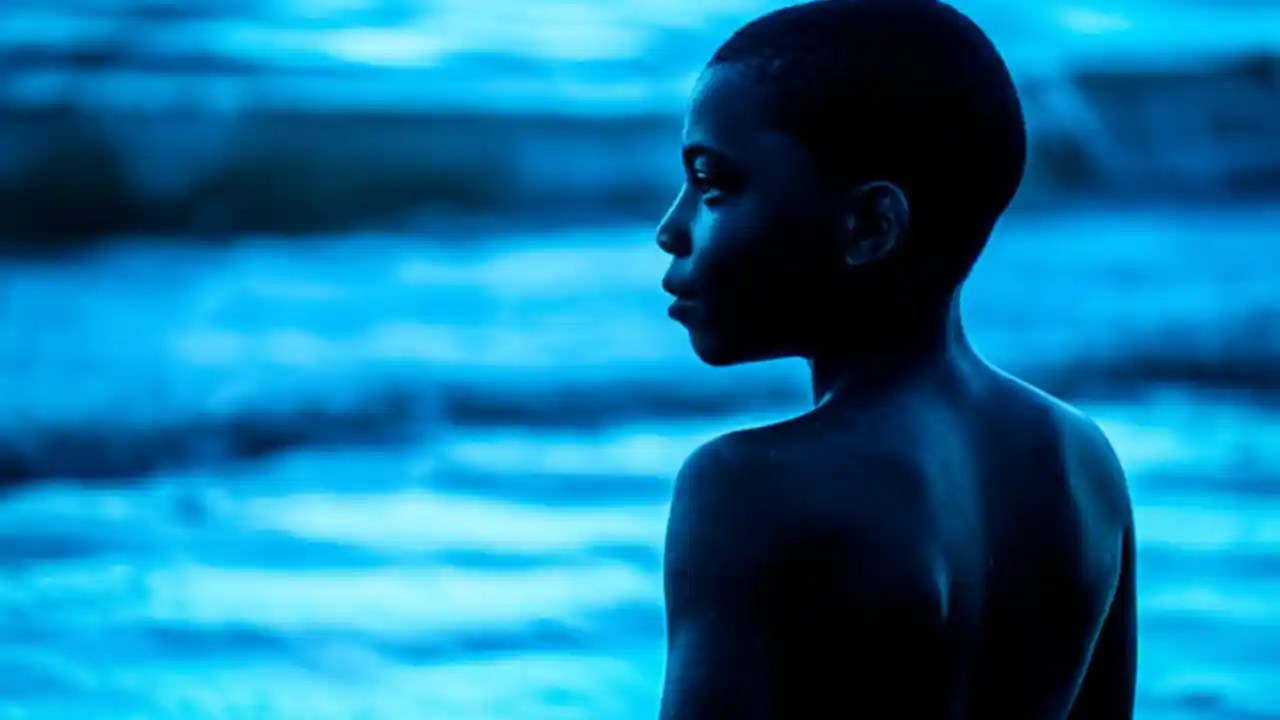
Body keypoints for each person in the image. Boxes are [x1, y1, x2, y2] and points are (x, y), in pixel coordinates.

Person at [654, 0, 1136, 717]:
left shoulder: (748, 492)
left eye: (714, 185)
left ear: (871, 225)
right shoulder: (1081, 462)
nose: (671, 228)